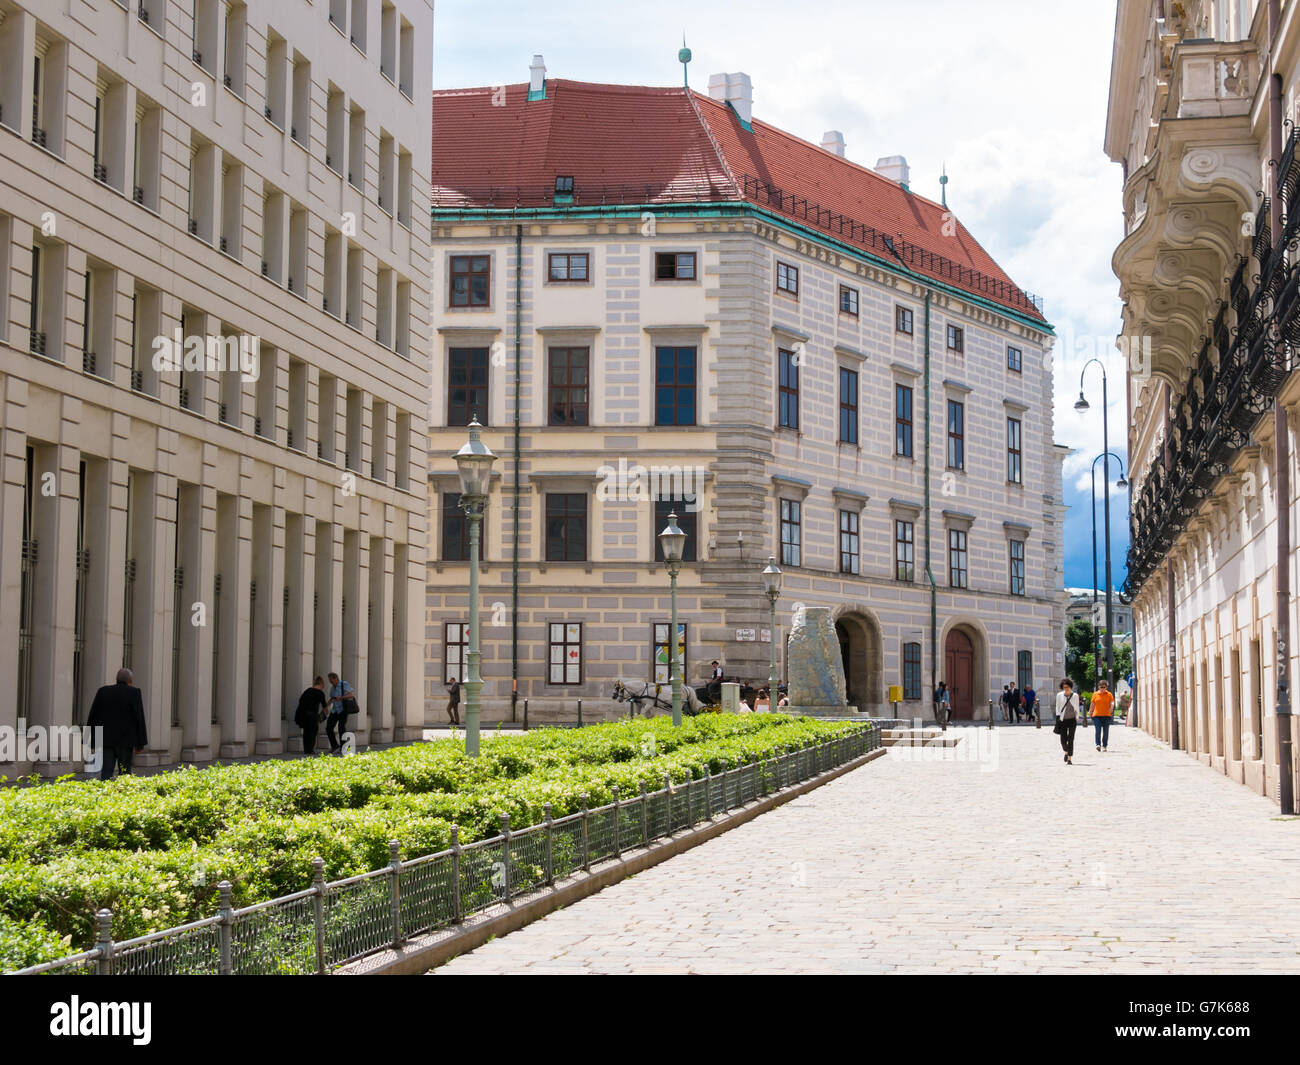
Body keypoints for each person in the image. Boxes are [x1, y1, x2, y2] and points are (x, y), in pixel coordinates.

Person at [86, 668, 149, 780]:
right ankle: (122, 795)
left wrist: (89, 739)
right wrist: (140, 744)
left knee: (106, 771)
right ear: (130, 681)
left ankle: (105, 795)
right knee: (125, 773)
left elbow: (93, 715)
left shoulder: (103, 691)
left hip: (107, 740)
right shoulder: (134, 693)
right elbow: (139, 718)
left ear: (117, 679)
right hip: (126, 741)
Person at [294, 676, 327, 754]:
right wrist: (325, 714)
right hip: (313, 715)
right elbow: (324, 706)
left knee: (306, 732)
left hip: (304, 715)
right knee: (313, 732)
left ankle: (306, 749)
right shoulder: (320, 693)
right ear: (321, 684)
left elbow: (300, 701)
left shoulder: (307, 691)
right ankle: (310, 750)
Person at [325, 672, 356, 753]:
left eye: (331, 681)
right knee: (328, 727)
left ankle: (343, 747)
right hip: (335, 710)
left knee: (341, 728)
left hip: (343, 710)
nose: (331, 683)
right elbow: (332, 698)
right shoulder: (332, 688)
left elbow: (351, 695)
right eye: (330, 681)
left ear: (336, 678)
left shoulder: (344, 684)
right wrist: (326, 706)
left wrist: (341, 697)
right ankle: (335, 746)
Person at [1055, 679, 1080, 764]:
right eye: (1064, 687)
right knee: (1063, 740)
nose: (1066, 688)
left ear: (1070, 687)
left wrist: (1077, 716)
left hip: (1072, 720)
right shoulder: (1059, 695)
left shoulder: (1075, 695)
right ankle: (1066, 751)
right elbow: (1057, 707)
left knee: (1071, 739)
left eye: (1067, 687)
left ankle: (1069, 758)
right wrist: (1058, 717)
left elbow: (1077, 707)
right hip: (1063, 720)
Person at [1091, 679, 1115, 751]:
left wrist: (1111, 709)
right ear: (1098, 687)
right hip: (1096, 715)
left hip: (1106, 716)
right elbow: (1092, 704)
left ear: (1106, 687)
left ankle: (1104, 746)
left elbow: (1112, 703)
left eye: (1104, 687)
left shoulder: (1109, 694)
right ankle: (1098, 744)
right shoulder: (1095, 694)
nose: (1102, 689)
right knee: (1098, 730)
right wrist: (1090, 711)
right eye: (1101, 687)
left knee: (1105, 731)